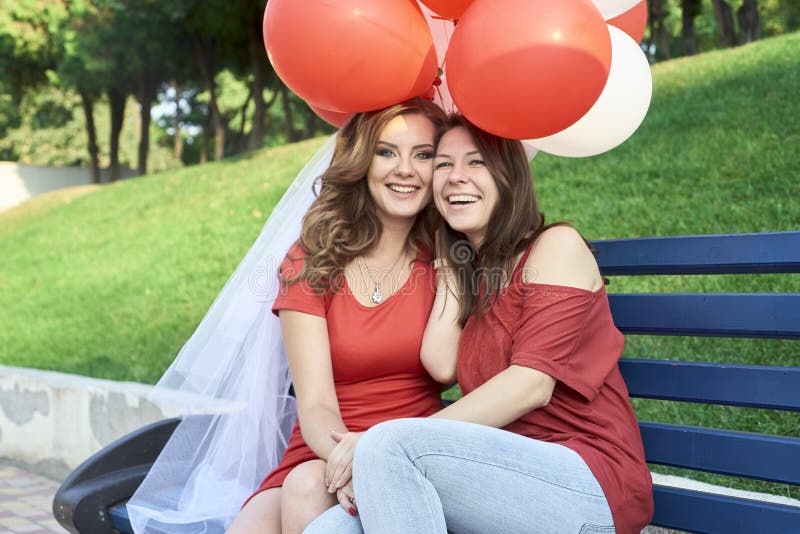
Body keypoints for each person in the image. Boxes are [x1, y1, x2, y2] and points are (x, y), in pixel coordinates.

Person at [305, 115, 654, 534]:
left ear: (509, 177)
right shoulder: (477, 276)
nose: (456, 178)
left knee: (385, 444)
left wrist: (385, 446)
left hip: (589, 484)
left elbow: (531, 385)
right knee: (327, 530)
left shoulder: (555, 248)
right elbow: (439, 363)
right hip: (496, 482)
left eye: (476, 162)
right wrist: (450, 260)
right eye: (443, 165)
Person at [225, 98, 452, 534]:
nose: (404, 169)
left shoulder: (449, 256)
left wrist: (373, 459)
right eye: (386, 152)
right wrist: (346, 459)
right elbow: (314, 404)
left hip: (409, 449)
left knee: (308, 488)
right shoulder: (312, 258)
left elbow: (448, 368)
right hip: (320, 446)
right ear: (361, 162)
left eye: (423, 155)